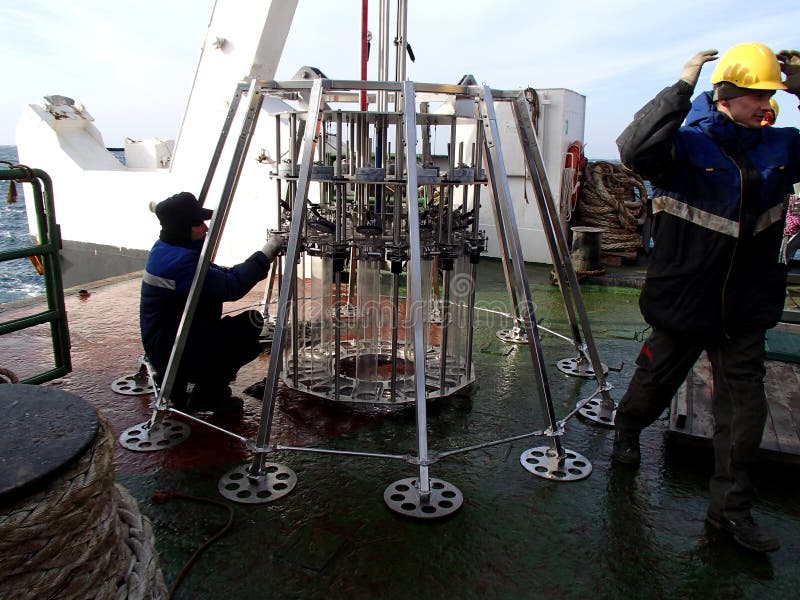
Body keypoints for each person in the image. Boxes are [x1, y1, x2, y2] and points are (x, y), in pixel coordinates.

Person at [611, 42, 800, 553]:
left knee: (743, 418)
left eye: (773, 95)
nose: (767, 104)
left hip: (746, 308)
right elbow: (634, 148)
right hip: (685, 302)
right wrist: (682, 85)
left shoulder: (781, 147)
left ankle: (729, 516)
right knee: (653, 386)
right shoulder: (686, 149)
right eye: (757, 94)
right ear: (726, 95)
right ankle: (626, 428)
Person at [139, 191, 285, 414]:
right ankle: (207, 396)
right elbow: (232, 286)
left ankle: (175, 384)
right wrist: (268, 252)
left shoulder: (167, 250)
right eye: (199, 224)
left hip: (167, 343)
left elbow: (220, 275)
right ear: (183, 227)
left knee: (246, 324)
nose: (206, 229)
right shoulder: (180, 264)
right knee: (249, 331)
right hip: (173, 348)